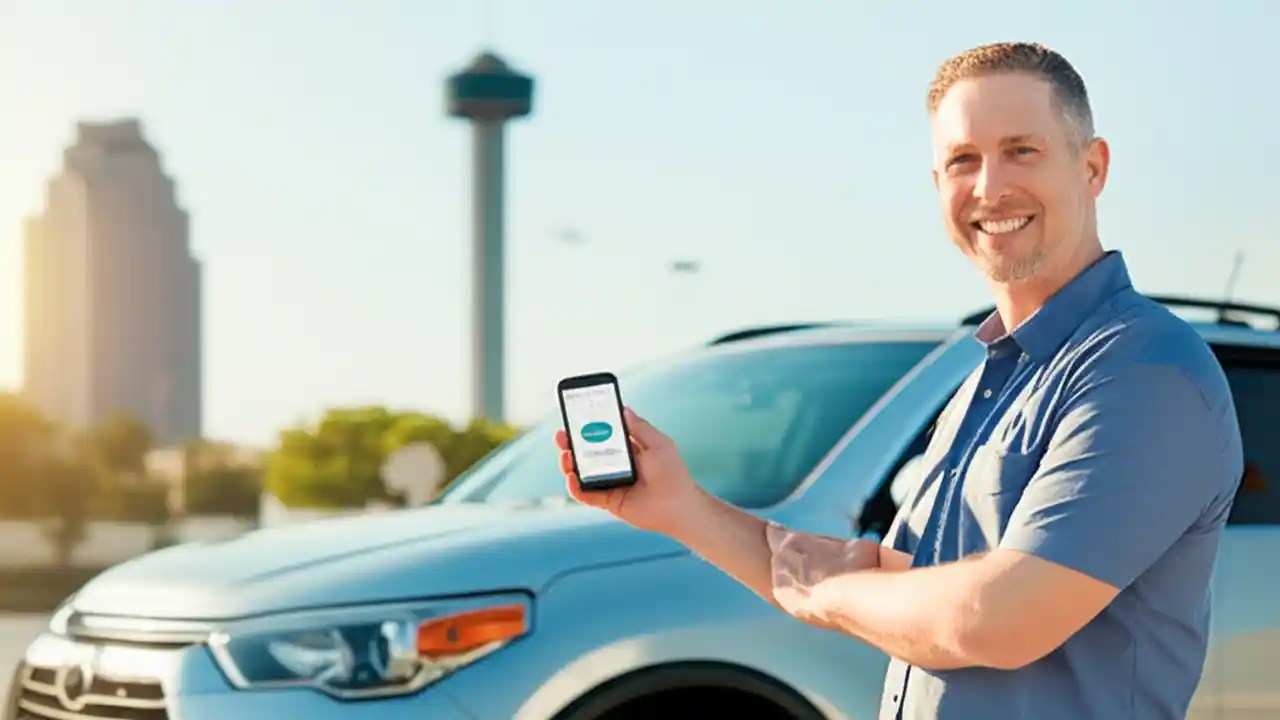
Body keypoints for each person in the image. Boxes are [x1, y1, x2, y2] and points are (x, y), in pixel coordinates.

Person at [554, 41, 1244, 720]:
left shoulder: (1145, 368)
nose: (989, 186)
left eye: (1021, 151)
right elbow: (891, 578)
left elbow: (997, 619)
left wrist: (820, 592)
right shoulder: (984, 382)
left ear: (1092, 167)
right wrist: (681, 508)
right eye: (962, 161)